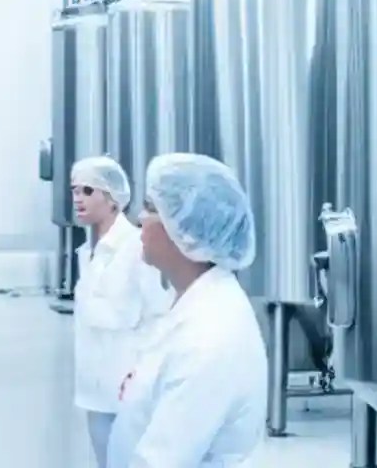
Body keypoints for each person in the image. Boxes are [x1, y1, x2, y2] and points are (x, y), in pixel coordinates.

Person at [106, 153, 268, 468]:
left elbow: (160, 461)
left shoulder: (209, 336)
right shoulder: (190, 301)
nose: (139, 217)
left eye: (152, 208)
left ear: (186, 230)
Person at [71, 156, 174, 468]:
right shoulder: (88, 252)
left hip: (127, 388)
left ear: (113, 199)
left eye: (88, 190)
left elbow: (160, 313)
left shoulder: (136, 247)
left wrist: (148, 377)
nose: (77, 198)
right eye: (74, 190)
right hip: (94, 388)